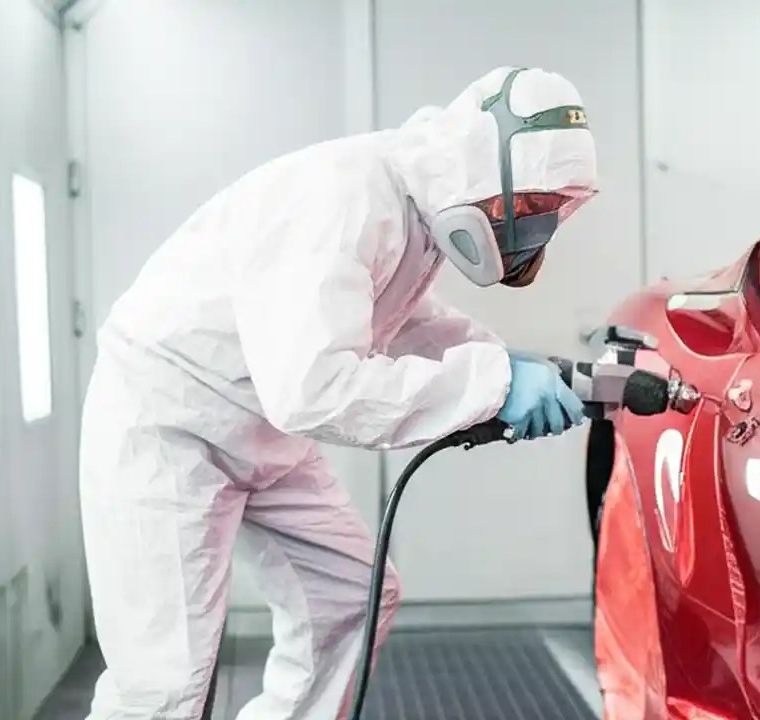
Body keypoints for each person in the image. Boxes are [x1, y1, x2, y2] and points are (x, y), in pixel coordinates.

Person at [78, 66, 597, 719]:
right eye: (532, 207)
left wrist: (503, 360)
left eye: (552, 212)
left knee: (352, 595)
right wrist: (493, 383)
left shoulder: (414, 212)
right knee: (163, 684)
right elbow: (313, 387)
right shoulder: (342, 197)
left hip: (260, 425)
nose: (534, 229)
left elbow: (401, 321)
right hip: (170, 417)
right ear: (477, 164)